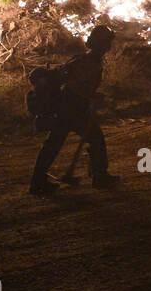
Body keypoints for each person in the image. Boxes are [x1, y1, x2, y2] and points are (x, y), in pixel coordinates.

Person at [29, 24, 121, 196]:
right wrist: (93, 96)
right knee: (94, 138)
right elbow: (79, 88)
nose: (109, 45)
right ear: (103, 44)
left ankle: (37, 181)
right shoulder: (89, 62)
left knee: (54, 144)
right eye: (108, 42)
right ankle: (99, 176)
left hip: (68, 106)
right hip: (73, 107)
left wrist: (92, 95)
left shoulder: (85, 59)